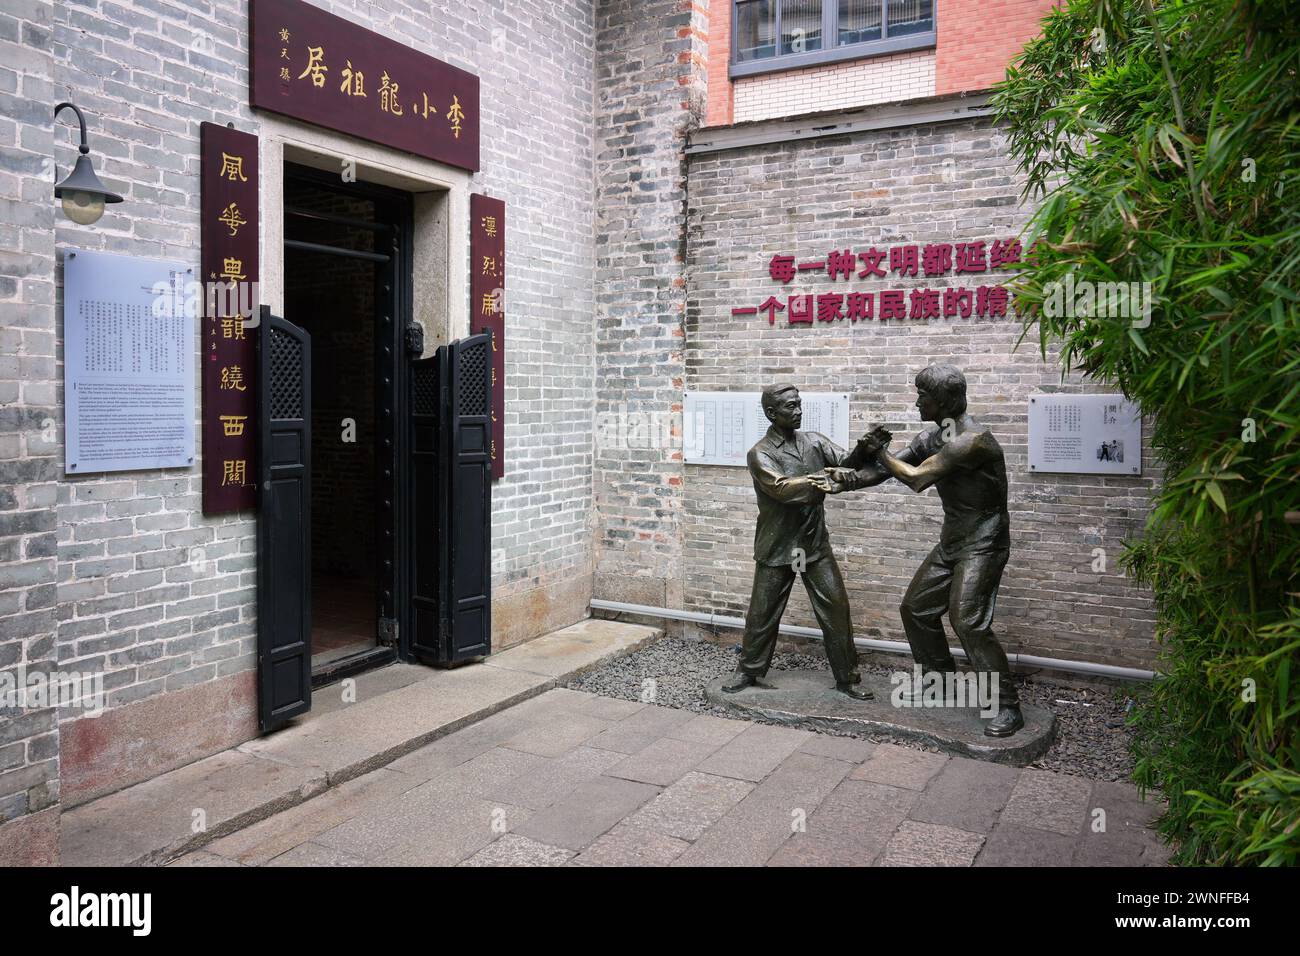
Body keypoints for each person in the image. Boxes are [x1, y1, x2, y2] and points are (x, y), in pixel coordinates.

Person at [822, 364, 1023, 737]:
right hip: (953, 542)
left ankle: (1007, 706)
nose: (916, 402)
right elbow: (886, 472)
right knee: (916, 608)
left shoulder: (973, 440)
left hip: (984, 543)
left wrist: (878, 452)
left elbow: (915, 478)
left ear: (945, 400)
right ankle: (939, 684)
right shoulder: (931, 438)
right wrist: (845, 481)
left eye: (922, 396)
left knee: (968, 622)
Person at [722, 383, 872, 700]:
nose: (798, 411)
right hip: (777, 546)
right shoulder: (760, 454)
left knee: (836, 609)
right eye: (791, 406)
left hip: (812, 545)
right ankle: (748, 670)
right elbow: (783, 489)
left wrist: (865, 450)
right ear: (771, 413)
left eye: (799, 404)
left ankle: (847, 677)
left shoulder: (814, 442)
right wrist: (826, 479)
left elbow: (846, 462)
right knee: (762, 614)